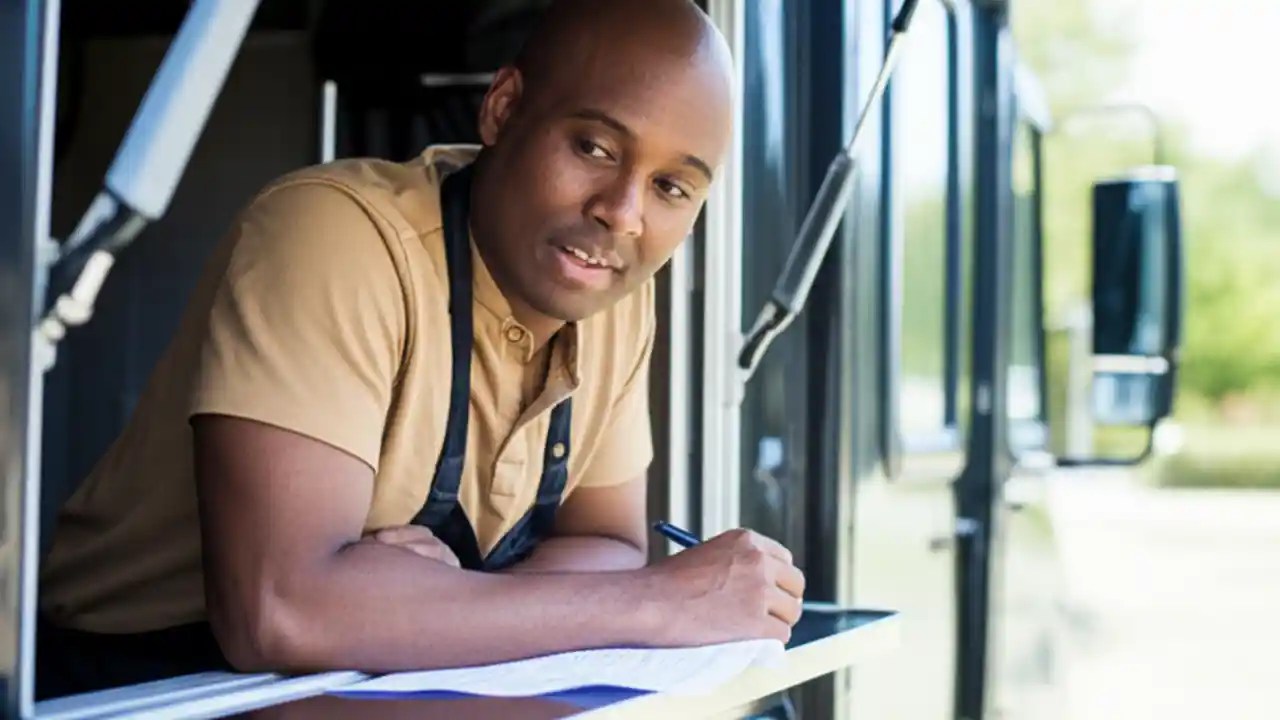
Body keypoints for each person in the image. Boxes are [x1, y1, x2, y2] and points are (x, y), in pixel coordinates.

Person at [36, 0, 806, 699]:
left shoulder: (615, 296)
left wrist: (442, 594)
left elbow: (606, 542)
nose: (623, 214)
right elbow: (278, 611)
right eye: (596, 148)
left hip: (351, 688)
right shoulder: (334, 234)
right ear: (504, 109)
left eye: (673, 188)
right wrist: (660, 601)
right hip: (131, 684)